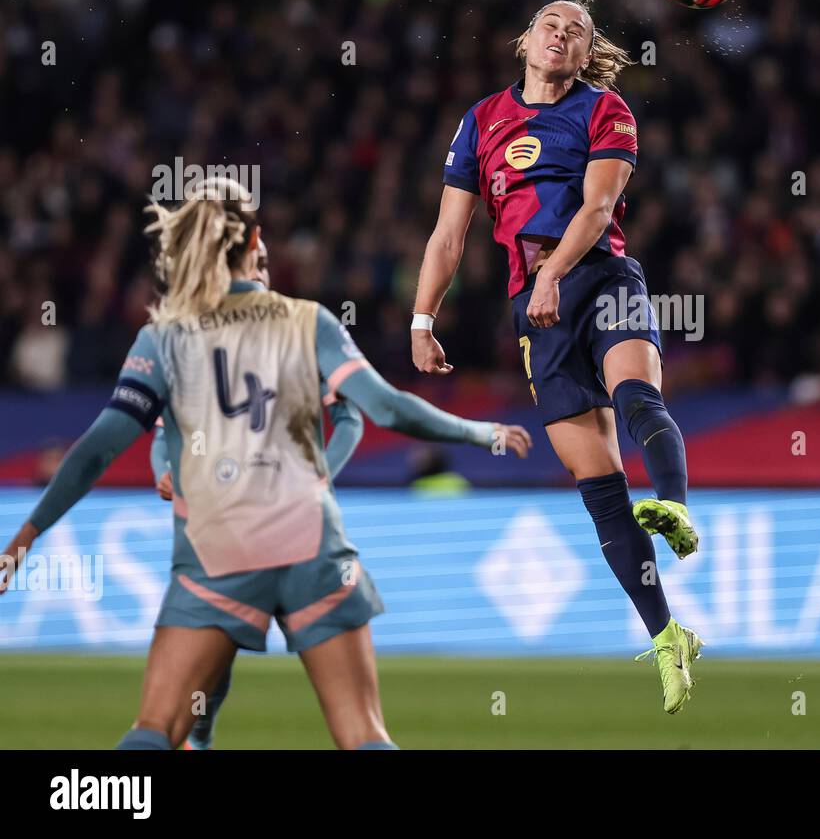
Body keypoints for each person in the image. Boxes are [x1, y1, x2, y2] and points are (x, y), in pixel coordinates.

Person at [0, 178, 531, 749]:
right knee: (364, 736)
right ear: (255, 240)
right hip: (312, 544)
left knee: (156, 730)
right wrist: (482, 433)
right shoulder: (310, 321)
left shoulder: (164, 337)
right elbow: (383, 406)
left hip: (219, 552)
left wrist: (24, 539)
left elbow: (98, 447)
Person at [410, 0, 703, 713]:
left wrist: (553, 271)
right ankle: (669, 637)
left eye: (577, 31)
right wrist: (421, 319)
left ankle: (674, 507)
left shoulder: (606, 111)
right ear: (526, 39)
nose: (562, 35)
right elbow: (450, 234)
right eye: (551, 23)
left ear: (584, 53)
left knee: (636, 392)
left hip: (601, 276)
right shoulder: (480, 121)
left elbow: (598, 209)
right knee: (597, 480)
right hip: (535, 311)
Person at [147, 235, 366, 749]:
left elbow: (351, 417)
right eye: (257, 259)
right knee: (214, 649)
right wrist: (168, 471)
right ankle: (199, 730)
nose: (263, 269)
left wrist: (316, 478)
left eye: (268, 261)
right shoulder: (194, 342)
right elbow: (163, 432)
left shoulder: (298, 332)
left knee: (335, 677)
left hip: (294, 525)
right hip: (220, 516)